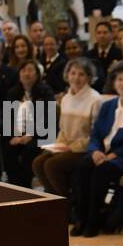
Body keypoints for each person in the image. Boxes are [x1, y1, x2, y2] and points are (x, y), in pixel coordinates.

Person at [70, 65, 123, 237]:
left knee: (101, 172)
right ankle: (81, 218)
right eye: (120, 79)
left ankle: (93, 221)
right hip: (102, 153)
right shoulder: (108, 105)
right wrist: (95, 151)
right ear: (115, 83)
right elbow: (95, 134)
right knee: (82, 167)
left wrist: (115, 154)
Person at [32, 58, 103, 197]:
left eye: (81, 74)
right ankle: (53, 198)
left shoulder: (95, 99)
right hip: (66, 146)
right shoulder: (66, 98)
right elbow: (63, 130)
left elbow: (96, 135)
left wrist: (71, 148)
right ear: (67, 75)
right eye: (73, 73)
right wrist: (58, 145)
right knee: (38, 162)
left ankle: (67, 202)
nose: (76, 78)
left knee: (51, 165)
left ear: (89, 77)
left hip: (85, 149)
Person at [0, 59, 57, 188]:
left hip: (41, 134)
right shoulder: (13, 93)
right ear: (19, 74)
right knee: (8, 147)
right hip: (18, 134)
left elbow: (48, 118)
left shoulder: (45, 92)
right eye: (23, 70)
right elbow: (7, 117)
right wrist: (13, 135)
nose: (27, 73)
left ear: (37, 74)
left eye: (30, 70)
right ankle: (15, 184)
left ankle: (25, 186)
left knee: (29, 150)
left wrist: (31, 135)